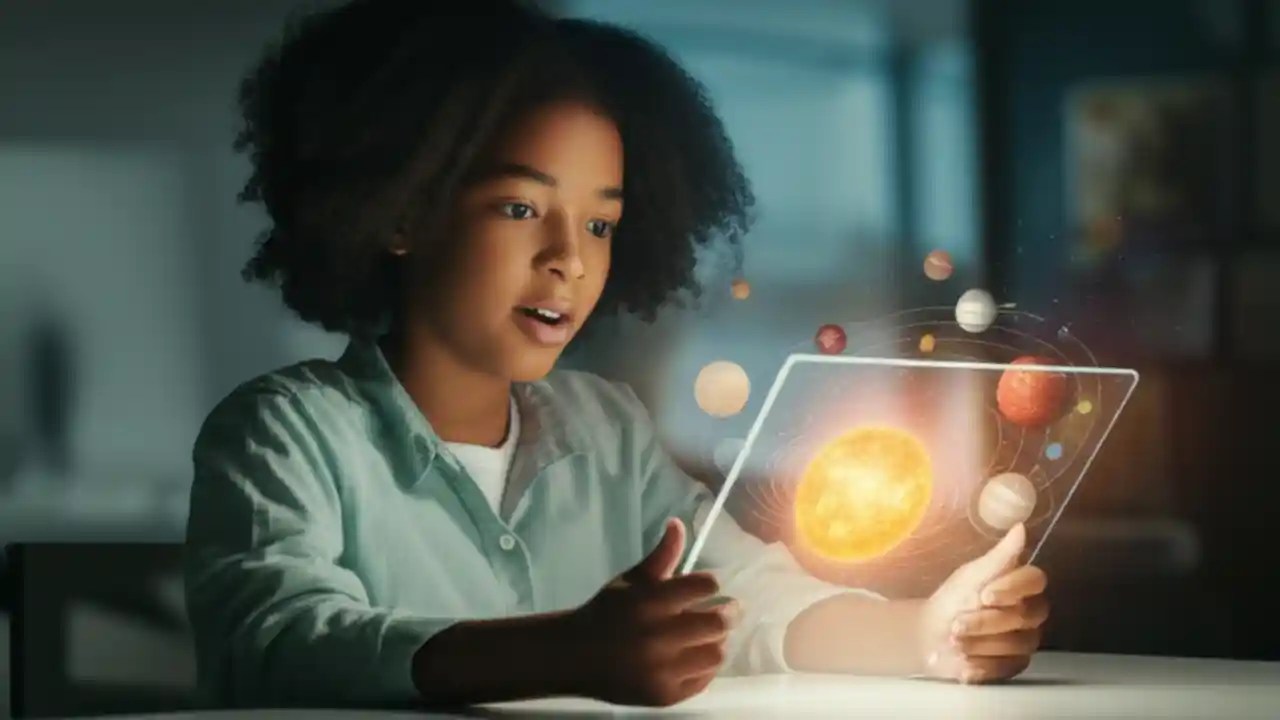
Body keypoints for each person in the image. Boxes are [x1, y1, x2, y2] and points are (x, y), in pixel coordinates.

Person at [184, 0, 1049, 709]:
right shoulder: (284, 433)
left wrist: (929, 631)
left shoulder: (605, 430)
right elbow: (281, 642)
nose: (570, 257)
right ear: (401, 213)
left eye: (600, 223)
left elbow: (744, 599)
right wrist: (561, 653)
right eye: (521, 210)